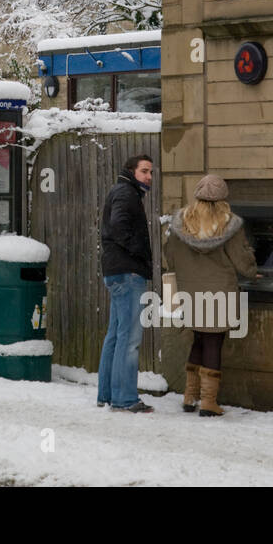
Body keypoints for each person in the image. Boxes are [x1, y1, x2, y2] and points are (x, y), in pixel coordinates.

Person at [162, 174, 259, 417]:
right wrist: (253, 270)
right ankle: (208, 402)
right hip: (220, 292)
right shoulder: (230, 224)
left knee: (198, 338)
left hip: (191, 291)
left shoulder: (180, 223)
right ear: (223, 199)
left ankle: (189, 396)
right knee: (213, 341)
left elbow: (169, 257)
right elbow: (242, 261)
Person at [97, 154, 155, 413]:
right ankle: (124, 398)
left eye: (151, 172)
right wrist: (139, 253)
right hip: (127, 273)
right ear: (131, 171)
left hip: (117, 272)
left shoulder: (123, 191)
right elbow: (118, 227)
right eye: (144, 171)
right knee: (129, 339)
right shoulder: (125, 193)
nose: (149, 177)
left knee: (115, 335)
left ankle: (106, 394)